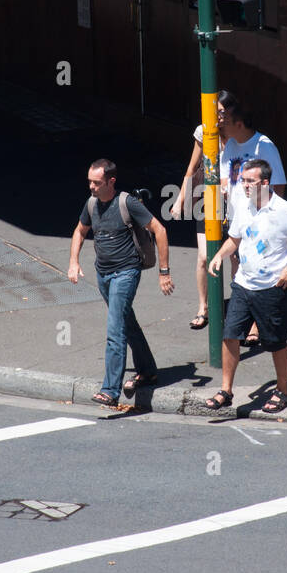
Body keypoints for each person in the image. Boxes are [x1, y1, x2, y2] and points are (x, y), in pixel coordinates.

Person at [204, 158, 287, 413]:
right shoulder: (243, 206)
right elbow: (235, 238)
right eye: (242, 180)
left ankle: (283, 391)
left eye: (249, 181)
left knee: (275, 341)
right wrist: (218, 256)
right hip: (243, 284)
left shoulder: (284, 210)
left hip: (271, 287)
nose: (244, 185)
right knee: (230, 334)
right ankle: (226, 390)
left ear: (265, 183)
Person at [69, 159, 174, 407]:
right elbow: (79, 231)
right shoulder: (92, 204)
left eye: (96, 183)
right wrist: (74, 262)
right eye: (89, 182)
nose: (91, 187)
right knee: (127, 321)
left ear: (111, 182)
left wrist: (164, 272)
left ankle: (110, 390)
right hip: (103, 274)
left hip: (125, 273)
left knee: (115, 329)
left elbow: (160, 230)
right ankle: (147, 371)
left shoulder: (128, 203)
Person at [216, 90, 286, 346]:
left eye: (225, 119)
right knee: (239, 271)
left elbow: (278, 185)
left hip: (261, 220)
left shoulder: (263, 145)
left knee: (259, 270)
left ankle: (258, 324)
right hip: (238, 218)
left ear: (239, 123)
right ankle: (243, 322)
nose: (220, 123)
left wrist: (270, 217)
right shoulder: (230, 146)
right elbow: (225, 178)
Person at [174, 116, 227, 330]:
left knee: (235, 258)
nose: (219, 116)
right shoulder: (202, 131)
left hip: (233, 198)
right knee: (204, 256)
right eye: (216, 112)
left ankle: (246, 315)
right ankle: (203, 307)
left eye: (222, 112)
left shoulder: (235, 134)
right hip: (207, 198)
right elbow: (192, 166)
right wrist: (180, 199)